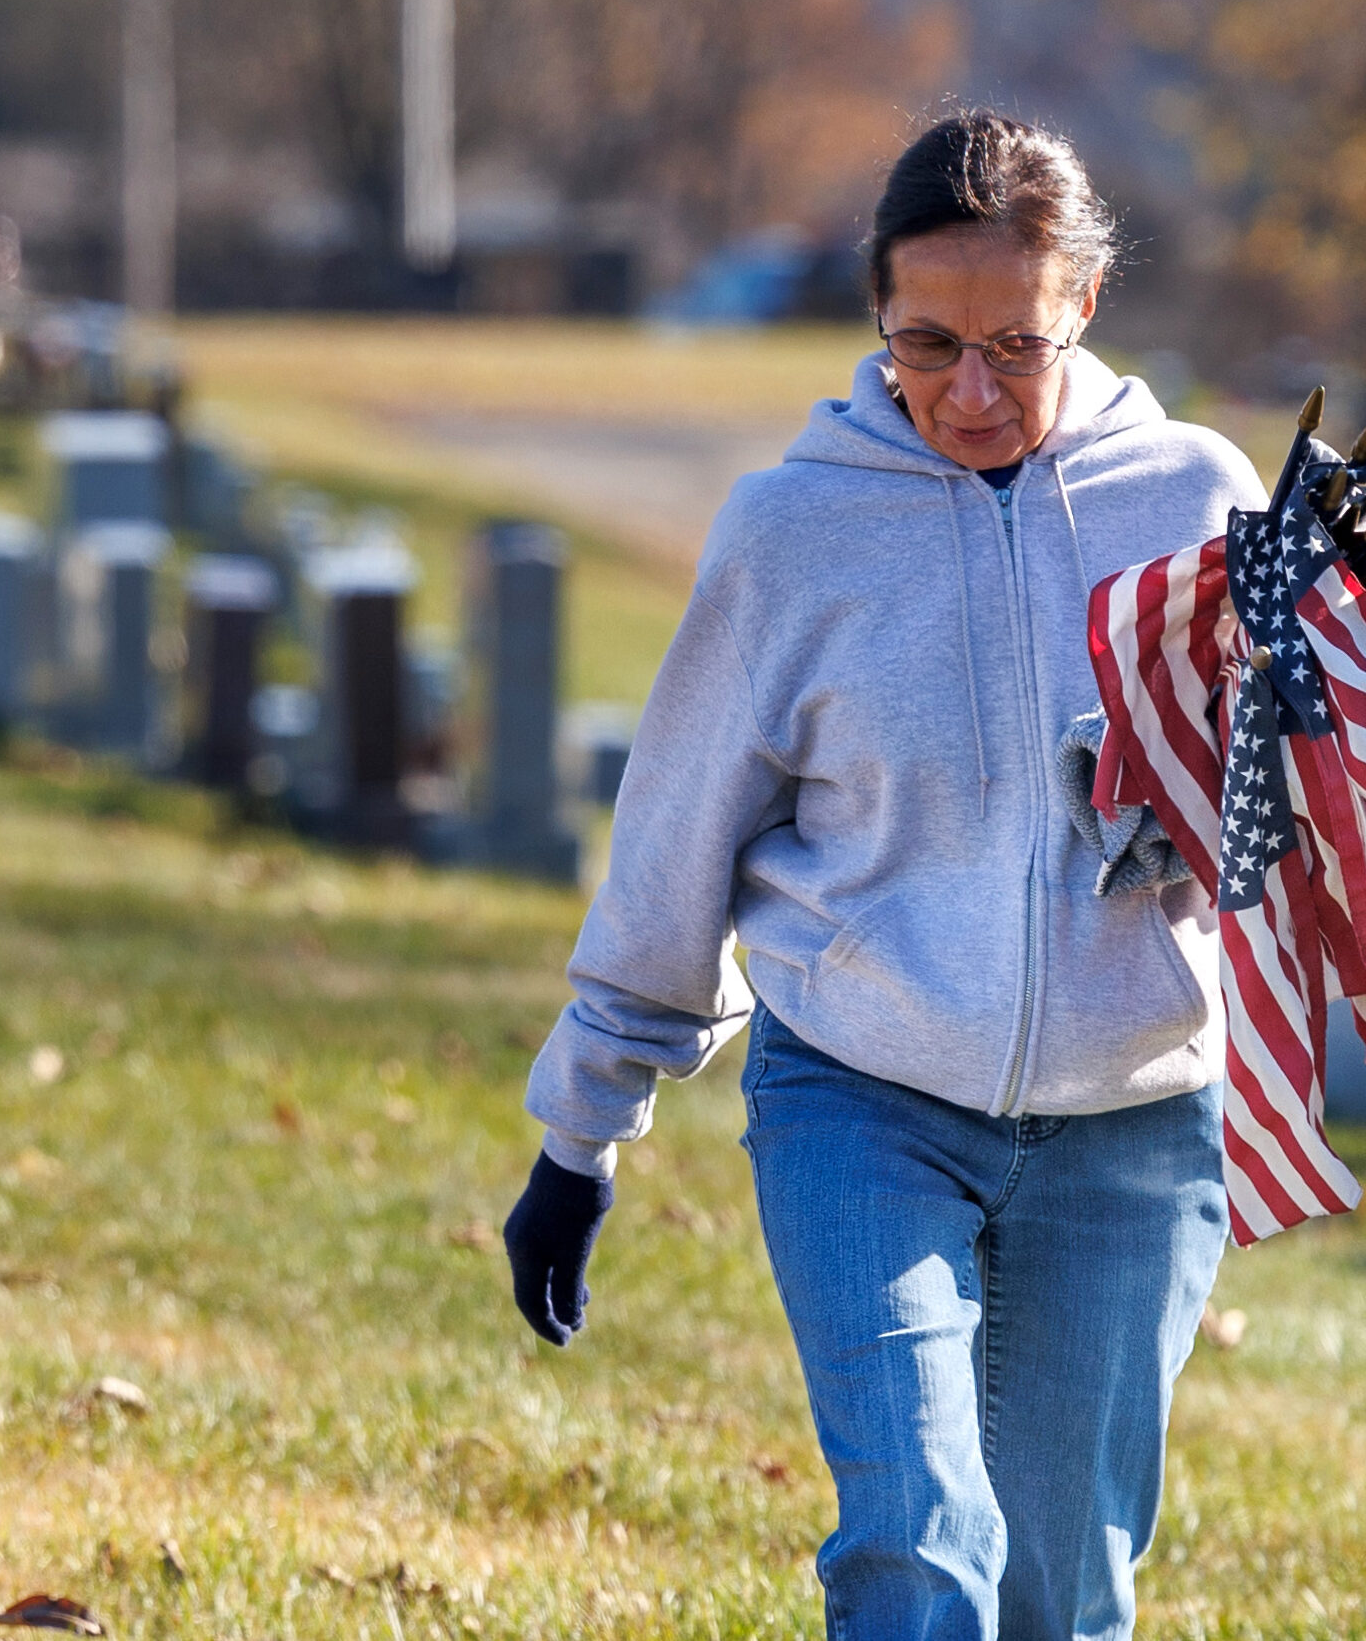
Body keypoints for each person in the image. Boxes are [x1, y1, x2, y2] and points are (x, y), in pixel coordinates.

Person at [500, 112, 1263, 1640]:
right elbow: (675, 846)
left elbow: (1294, 817)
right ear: (873, 314)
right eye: (926, 343)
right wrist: (580, 1135)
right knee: (916, 1543)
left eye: (1015, 347)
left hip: (1131, 1127)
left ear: (1087, 310)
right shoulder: (797, 534)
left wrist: (1179, 818)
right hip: (862, 1095)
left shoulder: (1198, 506)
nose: (969, 392)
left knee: (1063, 1593)